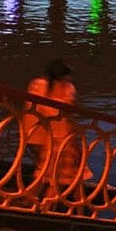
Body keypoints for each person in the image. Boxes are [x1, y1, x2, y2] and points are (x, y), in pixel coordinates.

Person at [23, 58, 87, 206]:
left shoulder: (38, 86)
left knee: (49, 175)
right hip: (59, 139)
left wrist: (32, 139)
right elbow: (68, 118)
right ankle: (72, 208)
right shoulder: (63, 89)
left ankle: (37, 203)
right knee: (57, 176)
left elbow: (31, 115)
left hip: (51, 139)